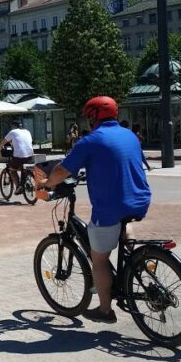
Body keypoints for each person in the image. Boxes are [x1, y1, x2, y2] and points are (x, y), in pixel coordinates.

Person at [40, 96, 151, 324]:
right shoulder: (130, 135)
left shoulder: (91, 141)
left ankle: (104, 310)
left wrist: (48, 183)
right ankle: (132, 263)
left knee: (98, 259)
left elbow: (62, 170)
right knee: (123, 226)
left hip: (110, 207)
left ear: (93, 117)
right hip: (140, 200)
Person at [0, 119, 34, 195]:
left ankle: (18, 187)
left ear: (13, 126)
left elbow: (4, 141)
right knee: (21, 167)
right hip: (30, 155)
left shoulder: (13, 132)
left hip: (19, 156)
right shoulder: (27, 131)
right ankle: (25, 180)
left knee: (12, 170)